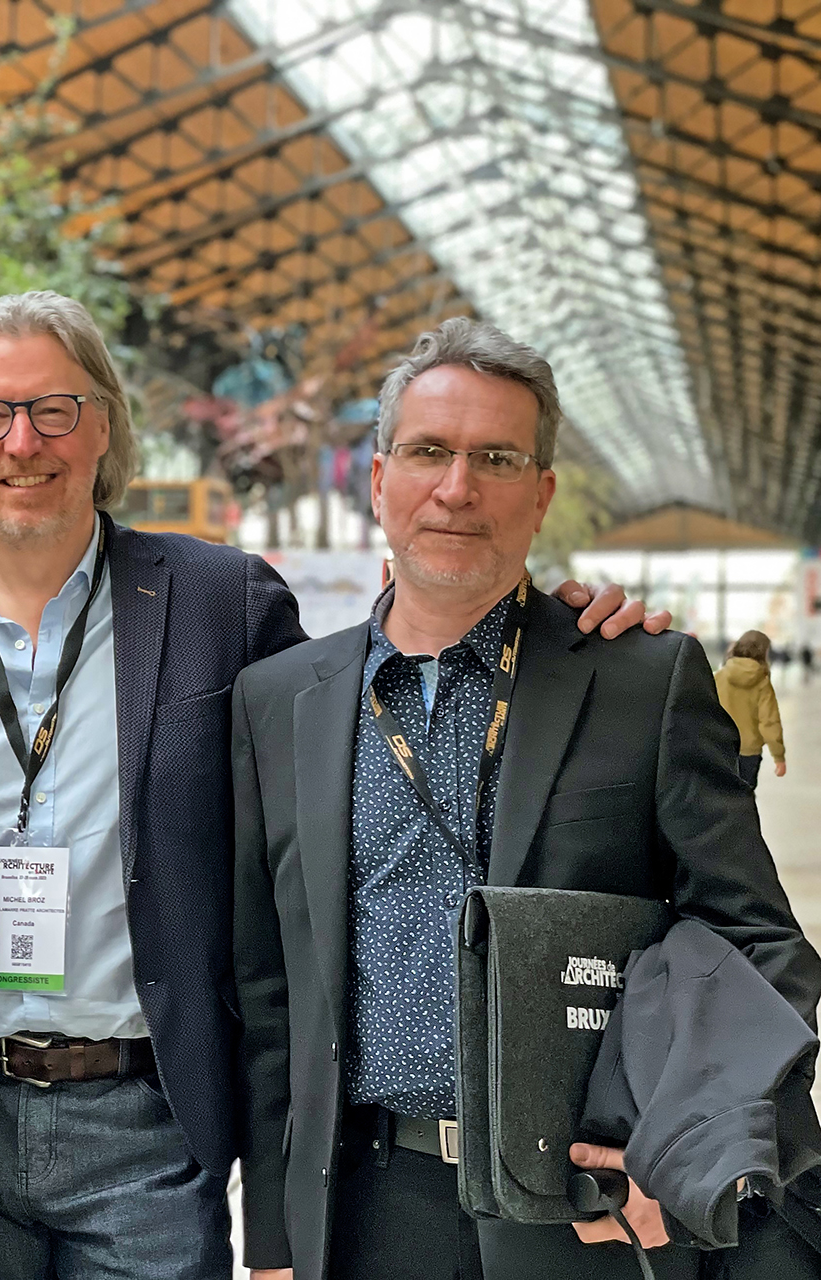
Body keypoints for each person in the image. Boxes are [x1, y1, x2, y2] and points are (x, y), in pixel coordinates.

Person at [0, 292, 668, 1280]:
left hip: (152, 1131)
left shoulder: (220, 602)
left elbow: (349, 741)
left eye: (55, 408)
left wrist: (571, 632)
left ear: (104, 423)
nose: (23, 441)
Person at [229, 318, 821, 1280]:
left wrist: (683, 1145)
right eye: (428, 453)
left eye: (495, 458)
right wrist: (275, 1240)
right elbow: (265, 994)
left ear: (541, 495)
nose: (457, 489)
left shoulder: (644, 681)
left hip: (589, 1212)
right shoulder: (279, 703)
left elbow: (760, 943)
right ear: (378, 482)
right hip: (369, 1208)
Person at [718, 631, 787, 789]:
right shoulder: (762, 683)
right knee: (745, 798)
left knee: (722, 796)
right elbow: (769, 722)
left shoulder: (719, 677)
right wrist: (779, 756)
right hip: (749, 752)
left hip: (721, 747)